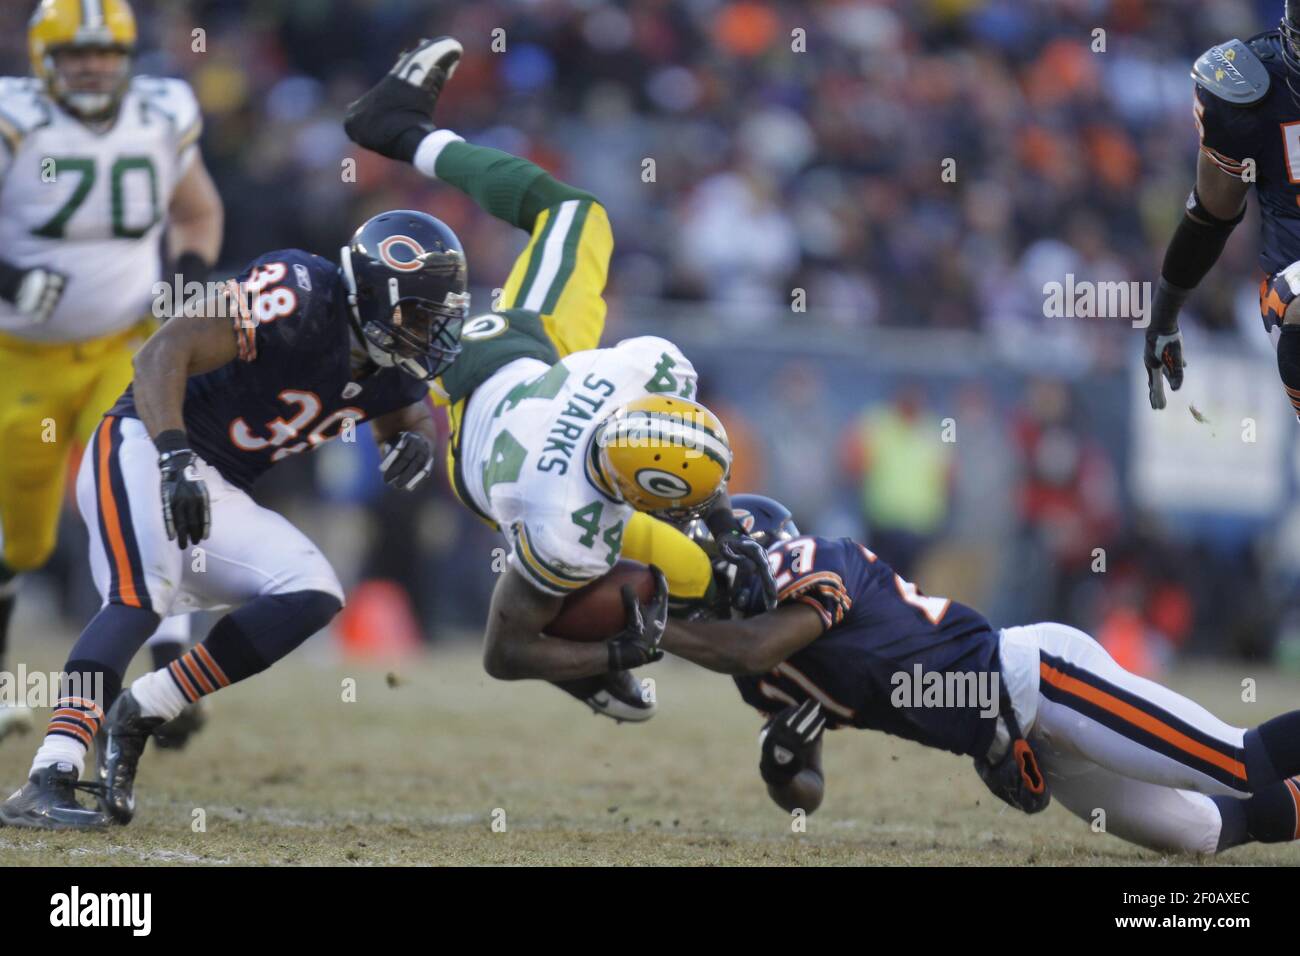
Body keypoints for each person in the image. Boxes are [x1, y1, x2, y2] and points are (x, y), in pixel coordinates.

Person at [343, 38, 777, 721]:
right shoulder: (567, 523)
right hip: (489, 424)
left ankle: (404, 136)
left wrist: (726, 525)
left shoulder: (636, 368)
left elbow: (683, 445)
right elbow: (502, 654)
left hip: (538, 365)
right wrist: (617, 654)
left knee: (576, 213)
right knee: (696, 581)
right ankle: (395, 132)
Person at [0, 199, 467, 829]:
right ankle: (49, 774)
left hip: (220, 487)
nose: (426, 332)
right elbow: (160, 353)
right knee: (142, 598)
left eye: (436, 318)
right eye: (417, 313)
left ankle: (144, 706)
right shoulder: (296, 293)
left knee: (312, 591)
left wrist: (413, 439)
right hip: (145, 443)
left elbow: (403, 408)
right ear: (375, 294)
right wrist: (174, 459)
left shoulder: (395, 366)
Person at [666, 494, 1300, 855]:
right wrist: (783, 767)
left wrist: (650, 632)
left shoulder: (812, 563)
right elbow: (807, 793)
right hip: (1032, 746)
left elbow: (752, 647)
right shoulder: (757, 663)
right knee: (1205, 834)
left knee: (1237, 760)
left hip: (1042, 680)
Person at [0, 0, 223, 744]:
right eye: (76, 54)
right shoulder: (15, 119)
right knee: (21, 535)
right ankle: (5, 680)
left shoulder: (161, 111)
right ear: (44, 60)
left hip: (121, 346)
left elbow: (196, 214)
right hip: (17, 360)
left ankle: (168, 667)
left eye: (106, 53)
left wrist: (184, 290)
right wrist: (8, 281)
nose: (94, 66)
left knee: (130, 482)